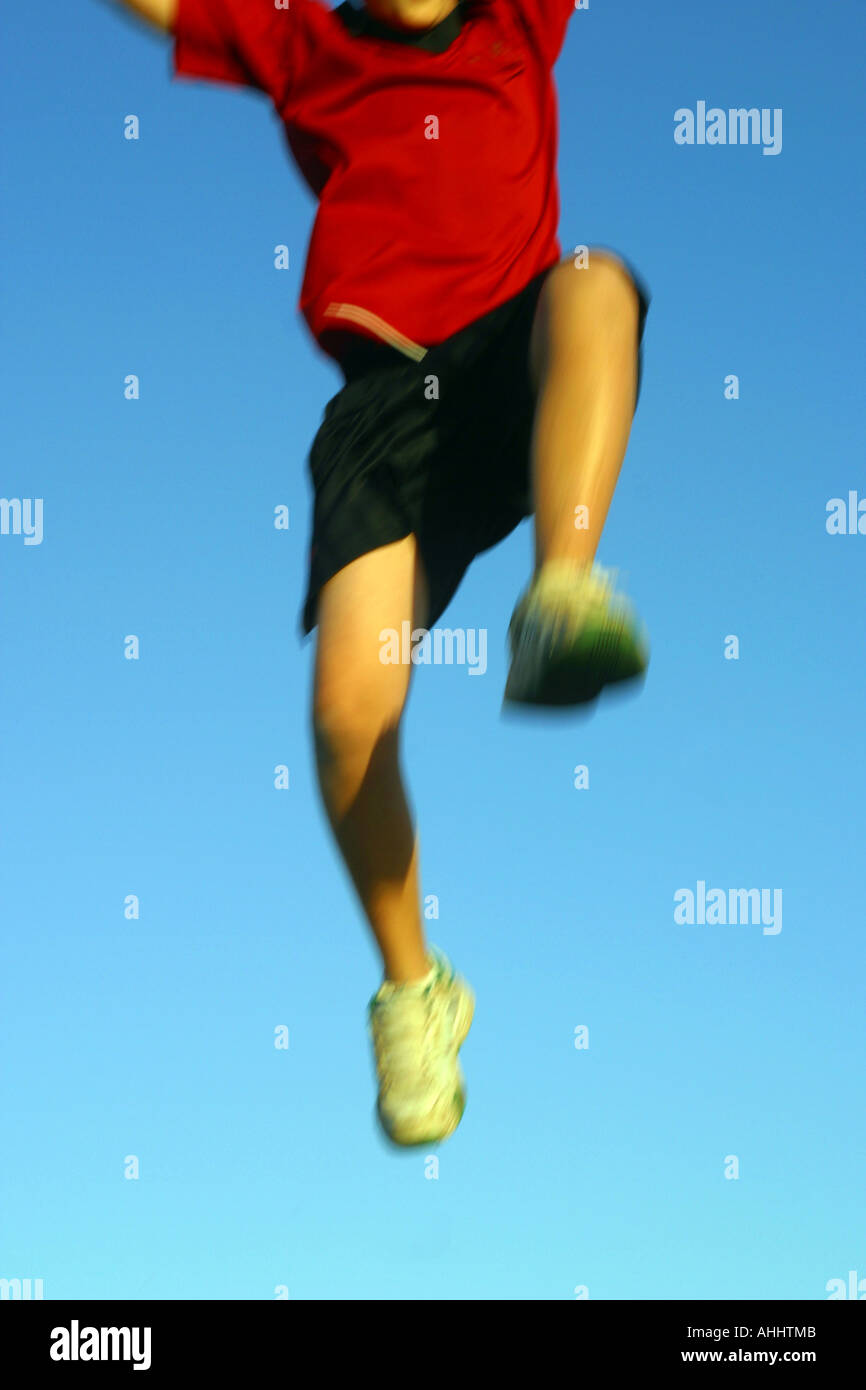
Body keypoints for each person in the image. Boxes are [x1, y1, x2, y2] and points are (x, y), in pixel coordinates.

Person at [102, 0, 651, 1148]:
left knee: (594, 280)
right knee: (349, 721)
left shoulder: (514, 15)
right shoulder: (303, 36)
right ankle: (416, 989)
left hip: (512, 356)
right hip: (383, 409)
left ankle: (561, 587)